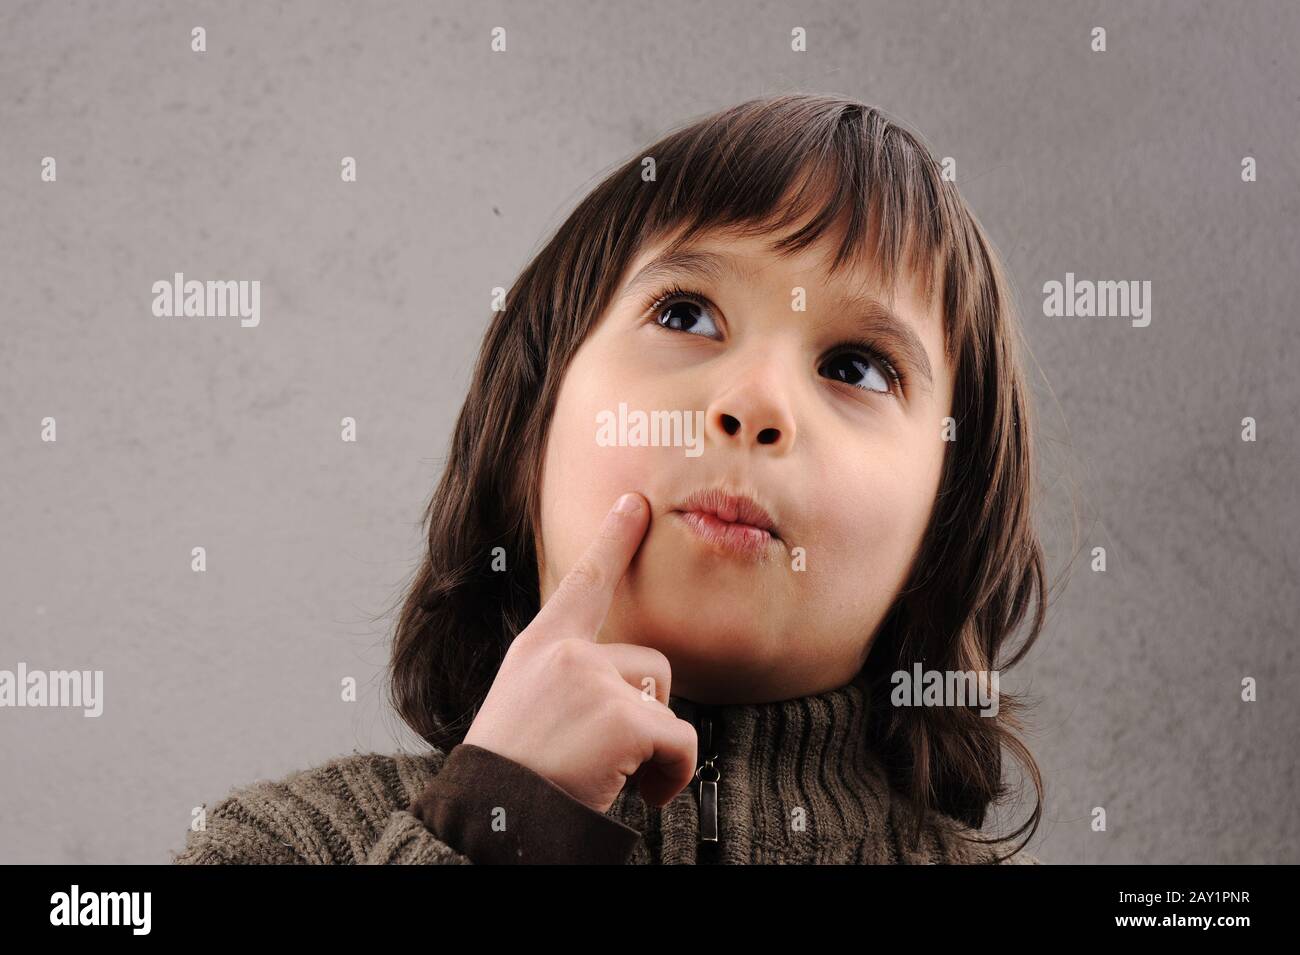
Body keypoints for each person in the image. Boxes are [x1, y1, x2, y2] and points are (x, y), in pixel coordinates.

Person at [173, 93, 1048, 865]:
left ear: (947, 525)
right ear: (530, 425)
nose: (755, 403)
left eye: (856, 367)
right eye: (685, 314)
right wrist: (494, 829)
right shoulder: (279, 847)